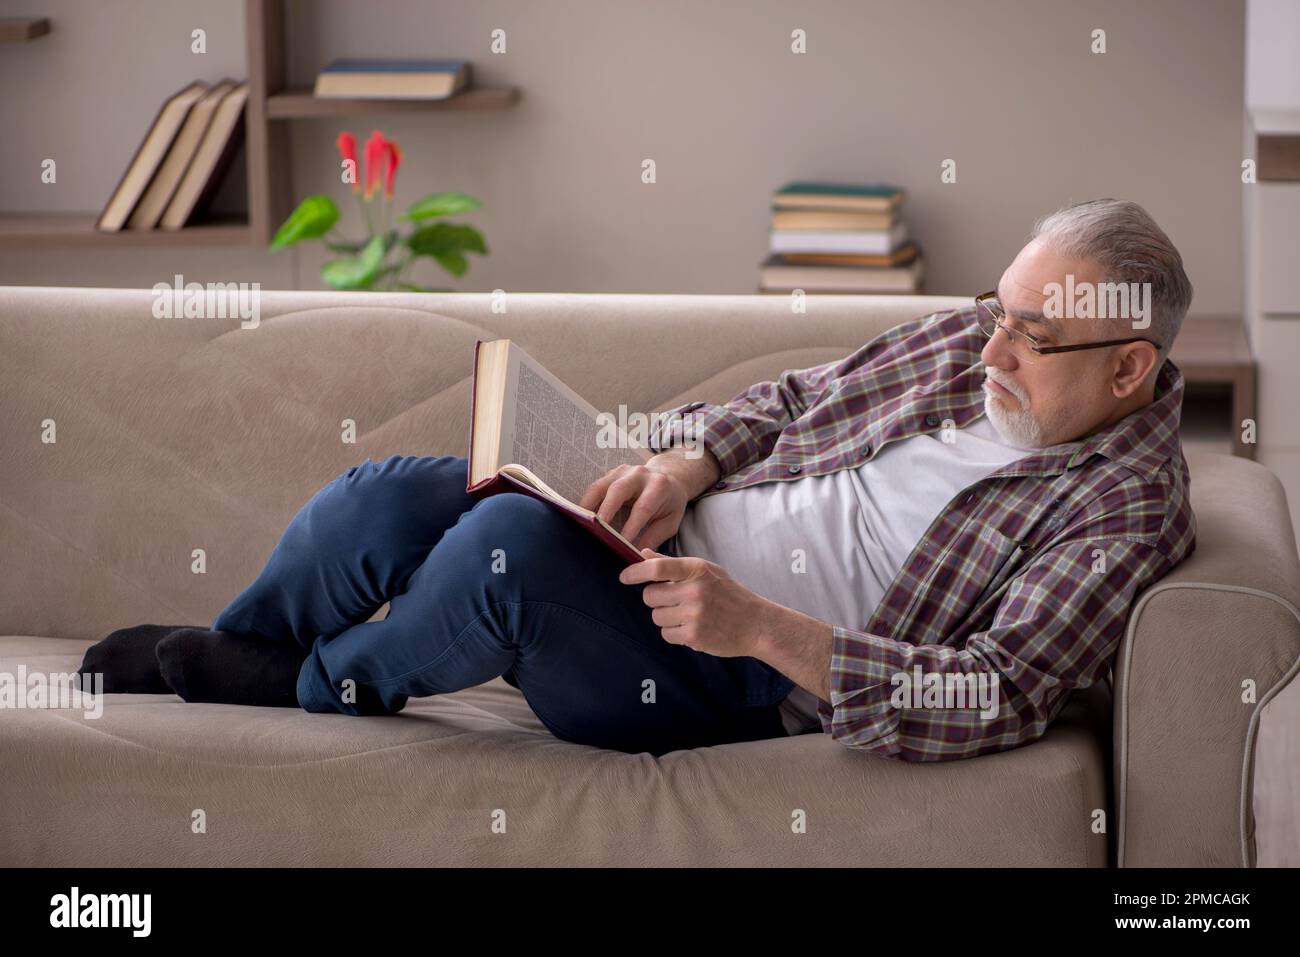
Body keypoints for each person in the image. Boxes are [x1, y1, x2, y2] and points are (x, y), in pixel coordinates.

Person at [80, 197, 1195, 760]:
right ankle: (246, 645)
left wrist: (759, 628)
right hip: (651, 535)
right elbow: (794, 402)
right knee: (382, 496)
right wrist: (684, 458)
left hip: (729, 675)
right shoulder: (973, 342)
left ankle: (305, 687)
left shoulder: (1125, 506)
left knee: (494, 558)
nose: (988, 350)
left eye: (1028, 337)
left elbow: (992, 694)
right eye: (996, 314)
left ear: (1128, 366)